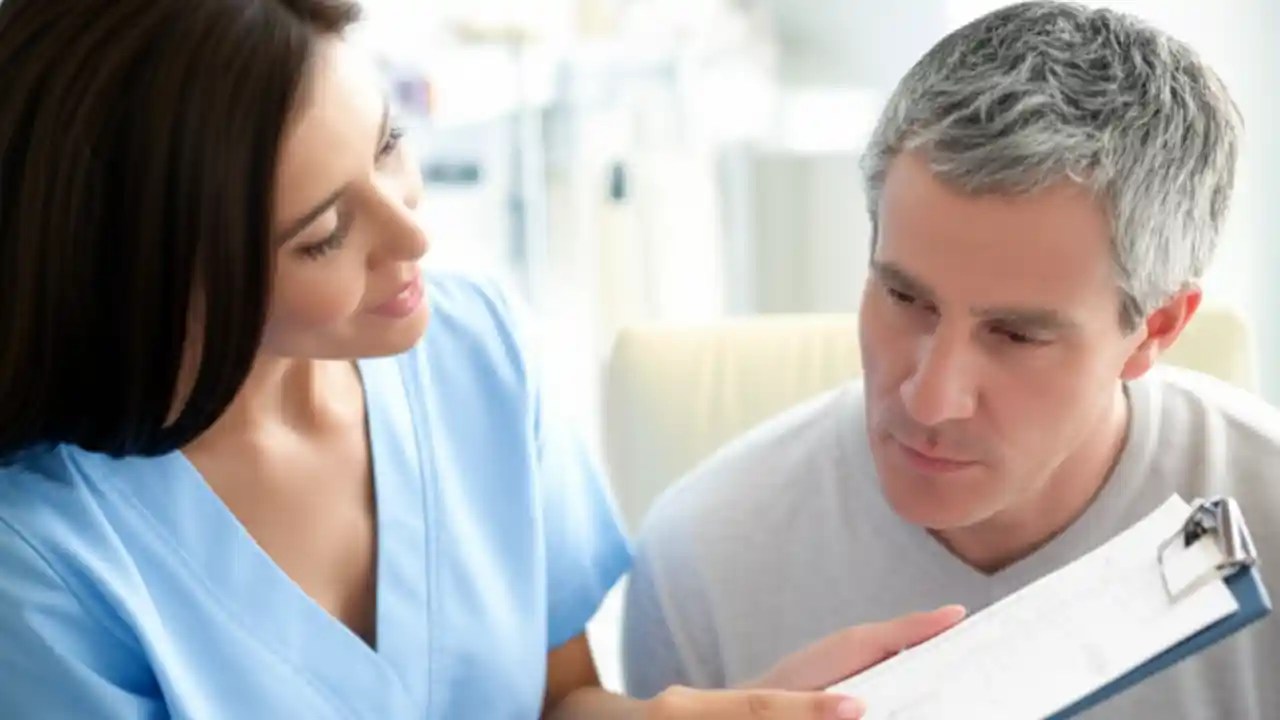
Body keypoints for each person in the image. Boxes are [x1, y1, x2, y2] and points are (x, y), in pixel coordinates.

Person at [0, 1, 967, 718]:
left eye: (387, 147)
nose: (412, 236)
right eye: (327, 234)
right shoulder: (41, 562)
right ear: (162, 277)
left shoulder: (476, 355)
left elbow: (558, 699)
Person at [621, 1, 1280, 717]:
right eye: (905, 296)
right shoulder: (705, 557)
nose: (928, 400)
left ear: (1157, 327)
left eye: (1017, 336)